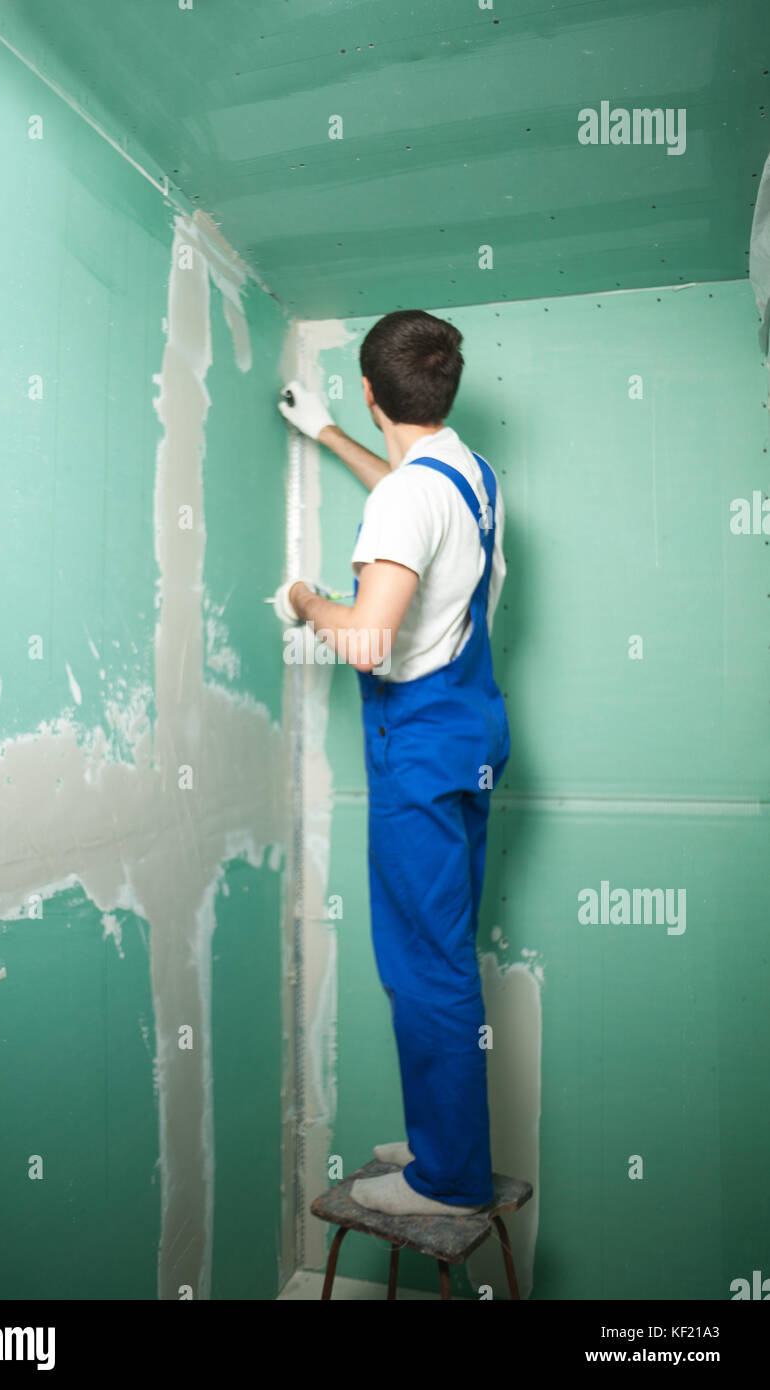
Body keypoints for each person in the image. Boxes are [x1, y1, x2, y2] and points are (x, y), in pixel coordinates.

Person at [274, 309, 510, 1216]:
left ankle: (449, 1178)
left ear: (375, 389)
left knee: (424, 961)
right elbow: (412, 498)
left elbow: (369, 640)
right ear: (444, 389)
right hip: (472, 732)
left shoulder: (407, 500)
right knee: (440, 948)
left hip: (418, 742)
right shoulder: (472, 475)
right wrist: (328, 432)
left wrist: (305, 602)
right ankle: (441, 1138)